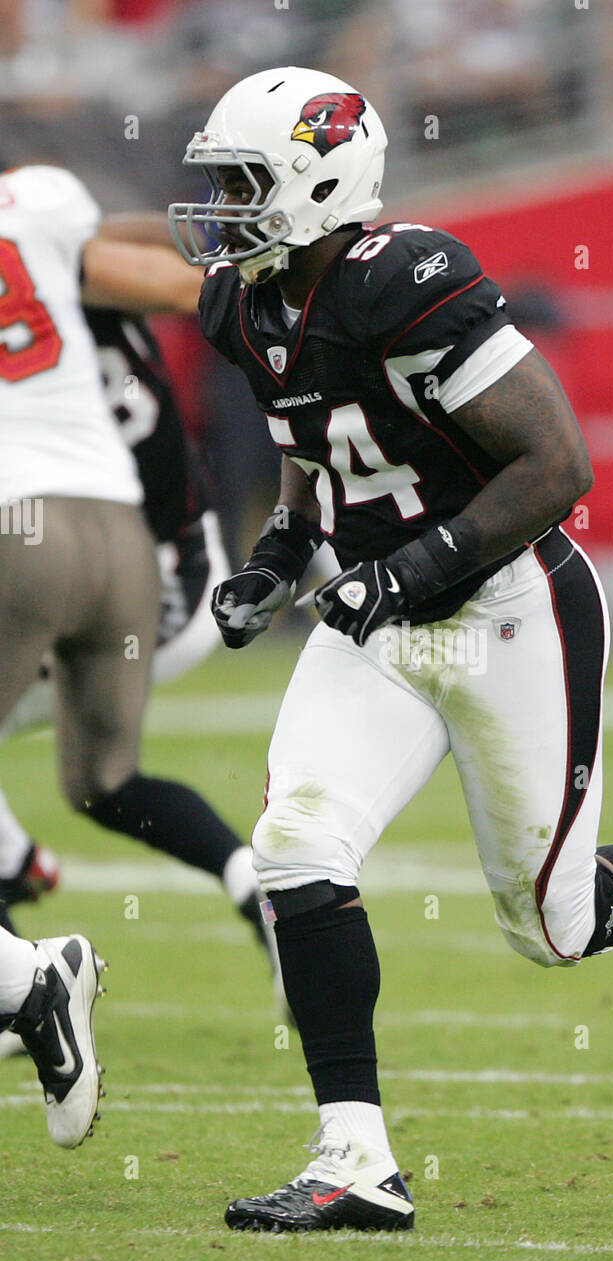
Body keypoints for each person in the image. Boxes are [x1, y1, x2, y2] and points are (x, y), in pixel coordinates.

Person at [169, 66, 613, 1234]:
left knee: (551, 928)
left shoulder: (405, 279)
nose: (219, 205)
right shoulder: (245, 303)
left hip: (509, 608)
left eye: (242, 182)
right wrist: (275, 558)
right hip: (376, 621)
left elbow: (556, 466)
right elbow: (315, 458)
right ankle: (354, 1159)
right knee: (298, 844)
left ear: (318, 181)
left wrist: (399, 573)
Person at [0, 163, 274, 1129]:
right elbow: (167, 271)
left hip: (77, 550)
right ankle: (20, 907)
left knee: (90, 780)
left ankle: (23, 955)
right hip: (124, 545)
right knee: (102, 779)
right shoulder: (49, 225)